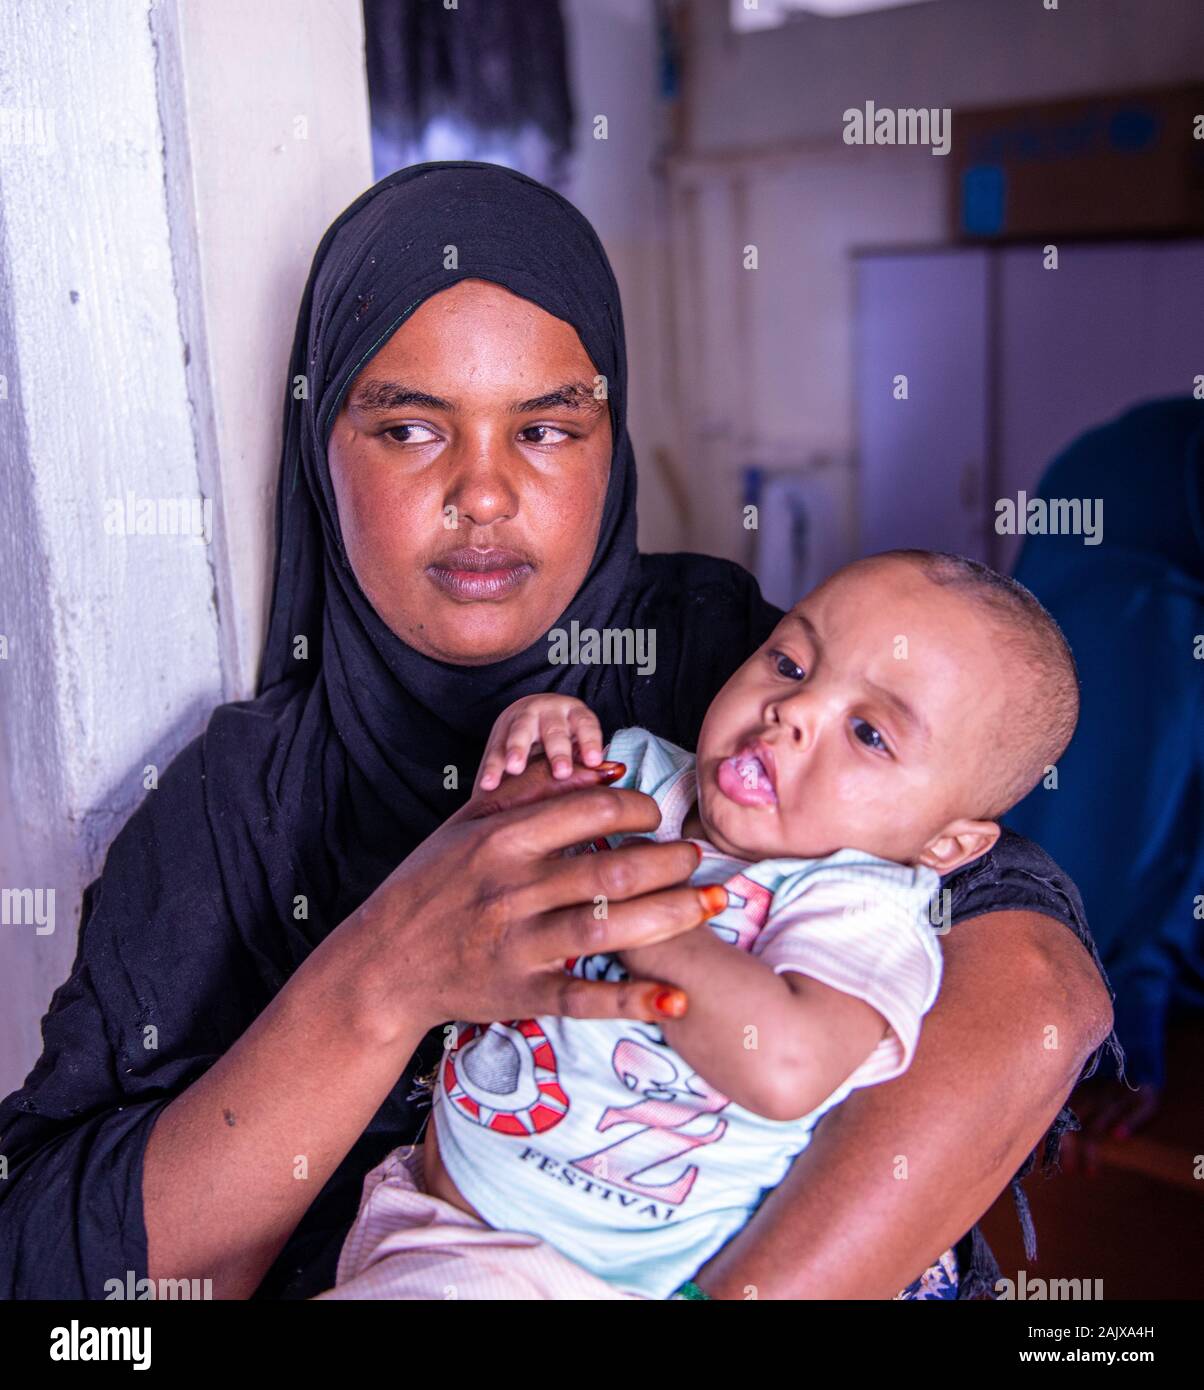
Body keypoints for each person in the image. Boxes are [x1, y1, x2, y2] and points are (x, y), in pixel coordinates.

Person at [0, 162, 1116, 1301]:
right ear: (319, 449)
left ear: (610, 442)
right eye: (406, 428)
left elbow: (1030, 979)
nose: (483, 493)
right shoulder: (236, 808)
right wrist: (383, 980)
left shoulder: (718, 659)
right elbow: (55, 1273)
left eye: (543, 428)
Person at [318, 549, 1082, 1300]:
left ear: (946, 844)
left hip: (561, 1271)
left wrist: (640, 918)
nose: (794, 712)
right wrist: (533, 737)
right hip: (423, 1203)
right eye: (790, 664)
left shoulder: (857, 908)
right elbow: (493, 862)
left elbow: (788, 1069)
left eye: (869, 733)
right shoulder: (643, 774)